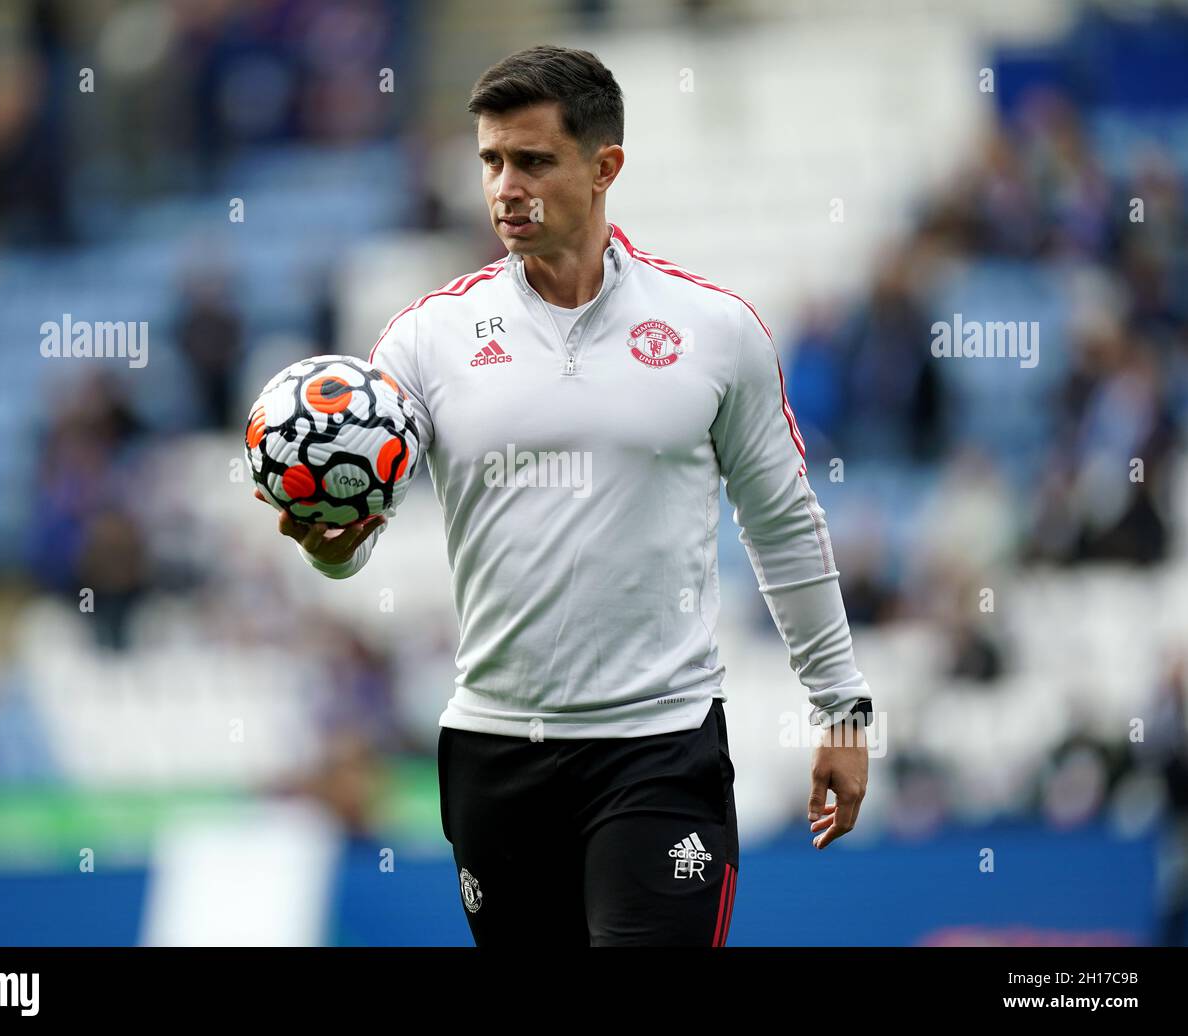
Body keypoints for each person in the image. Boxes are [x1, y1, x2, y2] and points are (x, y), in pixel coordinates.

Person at [256, 45, 873, 946]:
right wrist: (326, 542)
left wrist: (841, 708)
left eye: (533, 161)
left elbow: (783, 524)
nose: (505, 186)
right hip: (494, 755)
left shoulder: (714, 331)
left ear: (604, 166)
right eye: (491, 161)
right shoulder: (427, 340)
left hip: (659, 748)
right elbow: (356, 542)